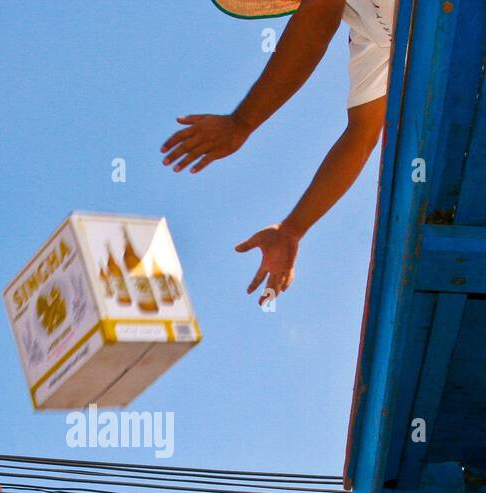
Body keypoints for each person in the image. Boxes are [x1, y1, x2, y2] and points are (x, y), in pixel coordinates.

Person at [161, 0, 397, 304]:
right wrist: (293, 228)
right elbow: (361, 135)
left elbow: (319, 18)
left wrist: (242, 123)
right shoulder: (368, 30)